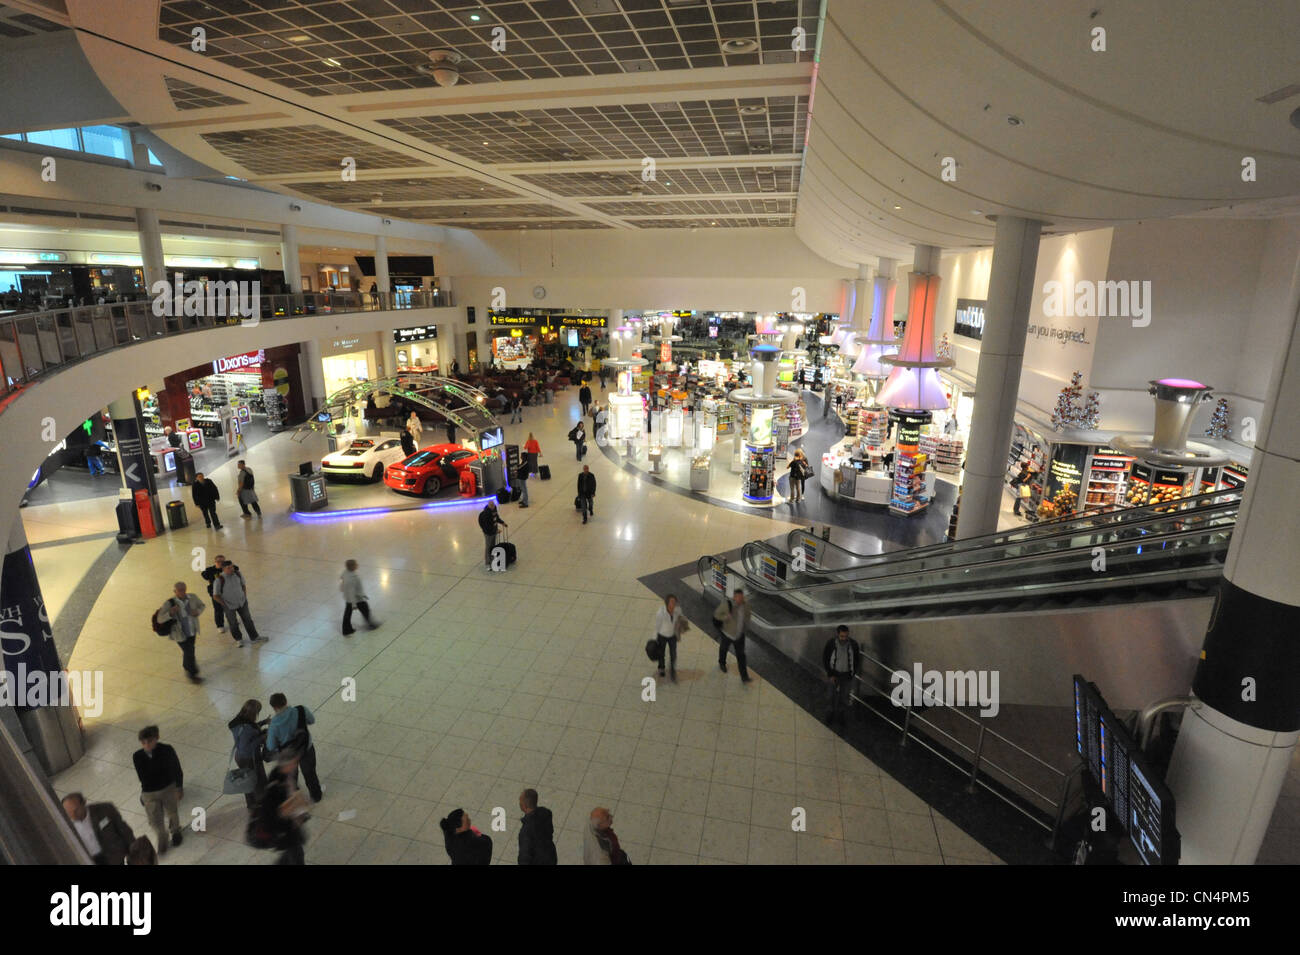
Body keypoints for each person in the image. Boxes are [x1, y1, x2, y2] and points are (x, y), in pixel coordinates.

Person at [132, 726, 184, 854]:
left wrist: (179, 787)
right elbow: (142, 777)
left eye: (149, 741)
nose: (147, 745)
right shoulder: (137, 756)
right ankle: (162, 836)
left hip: (167, 788)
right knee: (154, 819)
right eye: (143, 743)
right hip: (149, 792)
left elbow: (177, 769)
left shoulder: (166, 750)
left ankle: (176, 831)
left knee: (172, 811)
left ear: (156, 738)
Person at [265, 693, 322, 803]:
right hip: (306, 748)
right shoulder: (300, 710)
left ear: (273, 707)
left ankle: (296, 799)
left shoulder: (274, 725)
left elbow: (271, 746)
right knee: (310, 774)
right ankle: (316, 796)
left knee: (291, 779)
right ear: (285, 701)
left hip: (288, 755)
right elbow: (312, 720)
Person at [262, 750, 309, 865]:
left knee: (291, 854)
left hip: (290, 828)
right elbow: (274, 810)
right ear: (286, 764)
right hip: (285, 829)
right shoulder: (276, 784)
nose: (295, 765)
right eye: (293, 763)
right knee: (297, 855)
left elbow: (293, 794)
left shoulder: (286, 775)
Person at [61, 793, 134, 865]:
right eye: (68, 812)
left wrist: (134, 850)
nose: (73, 815)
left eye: (76, 810)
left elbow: (124, 830)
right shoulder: (65, 827)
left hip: (115, 855)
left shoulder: (104, 810)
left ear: (84, 803)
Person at [155, 581, 204, 683]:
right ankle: (192, 674)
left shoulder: (192, 597)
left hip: (192, 630)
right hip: (179, 633)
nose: (183, 592)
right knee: (189, 651)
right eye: (180, 590)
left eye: (184, 590)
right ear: (175, 591)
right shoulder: (169, 603)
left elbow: (202, 605)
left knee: (190, 650)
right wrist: (170, 612)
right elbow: (159, 619)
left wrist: (197, 612)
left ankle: (187, 665)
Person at [213, 560, 265, 647]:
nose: (231, 569)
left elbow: (243, 585)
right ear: (223, 569)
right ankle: (238, 639)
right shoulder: (219, 580)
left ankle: (254, 637)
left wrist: (244, 596)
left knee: (248, 620)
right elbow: (215, 595)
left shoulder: (238, 574)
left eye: (232, 567)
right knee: (233, 623)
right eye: (228, 568)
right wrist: (225, 604)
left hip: (242, 602)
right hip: (229, 605)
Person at [228, 699, 268, 811]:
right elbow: (247, 747)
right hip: (248, 758)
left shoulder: (239, 721)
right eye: (257, 712)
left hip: (241, 756)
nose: (257, 714)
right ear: (253, 713)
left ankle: (252, 802)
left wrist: (264, 722)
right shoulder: (246, 729)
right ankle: (258, 802)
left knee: (249, 780)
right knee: (256, 781)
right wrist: (262, 738)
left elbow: (252, 726)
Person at [822, 625, 861, 724]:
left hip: (846, 675)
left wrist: (852, 674)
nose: (844, 638)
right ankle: (829, 713)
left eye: (846, 636)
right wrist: (830, 674)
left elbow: (856, 660)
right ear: (837, 635)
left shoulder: (853, 645)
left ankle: (841, 715)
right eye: (842, 636)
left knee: (844, 697)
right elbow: (825, 658)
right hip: (834, 674)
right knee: (830, 695)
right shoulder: (831, 644)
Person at [713, 588, 752, 683]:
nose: (740, 599)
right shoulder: (727, 604)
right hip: (727, 634)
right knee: (724, 648)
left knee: (741, 655)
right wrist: (726, 617)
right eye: (738, 597)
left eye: (741, 597)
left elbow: (747, 616)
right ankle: (722, 663)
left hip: (739, 635)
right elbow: (716, 614)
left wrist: (745, 627)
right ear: (734, 597)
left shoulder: (746, 605)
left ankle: (744, 676)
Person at [517, 789, 557, 866]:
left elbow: (525, 857)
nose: (519, 803)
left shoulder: (526, 831)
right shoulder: (546, 813)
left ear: (524, 805)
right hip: (550, 857)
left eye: (520, 801)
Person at [652, 593, 686, 682]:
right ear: (667, 603)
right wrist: (655, 639)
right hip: (662, 636)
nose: (674, 604)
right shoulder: (660, 613)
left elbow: (680, 618)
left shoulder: (678, 610)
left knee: (673, 654)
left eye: (675, 602)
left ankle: (672, 670)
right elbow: (657, 626)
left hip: (672, 636)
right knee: (661, 653)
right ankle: (661, 668)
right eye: (672, 602)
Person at [340, 558, 380, 635]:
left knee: (347, 614)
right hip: (356, 599)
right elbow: (352, 592)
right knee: (366, 610)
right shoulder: (353, 578)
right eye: (356, 564)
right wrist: (354, 604)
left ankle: (346, 630)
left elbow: (341, 577)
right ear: (352, 566)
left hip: (348, 598)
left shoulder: (345, 572)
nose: (357, 565)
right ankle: (371, 625)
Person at [477, 500, 507, 566]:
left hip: (493, 531)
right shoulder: (486, 514)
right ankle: (487, 561)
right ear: (488, 506)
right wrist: (495, 530)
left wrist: (502, 523)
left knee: (493, 545)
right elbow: (487, 526)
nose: (493, 507)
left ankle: (492, 557)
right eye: (491, 506)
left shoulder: (494, 509)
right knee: (488, 546)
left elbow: (496, 518)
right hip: (488, 532)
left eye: (493, 506)